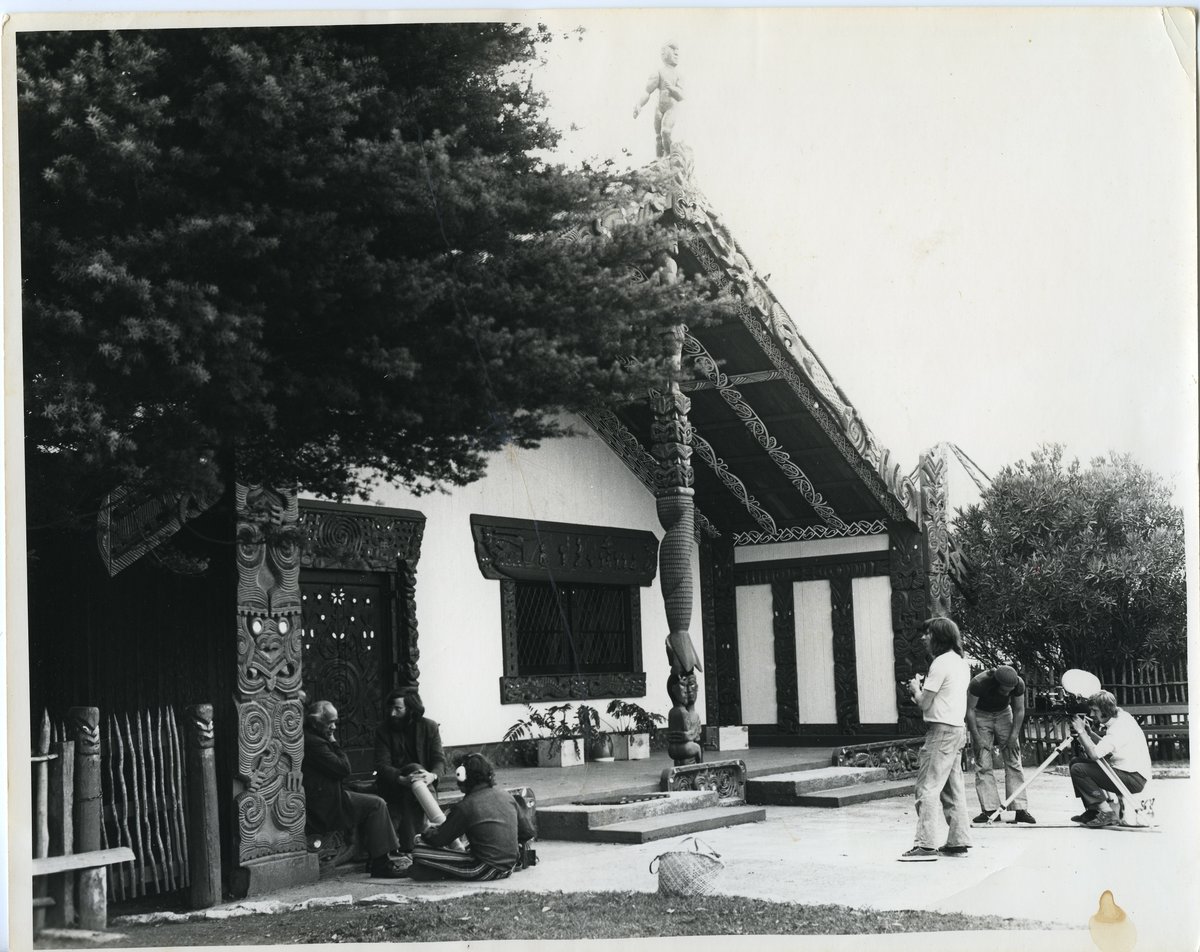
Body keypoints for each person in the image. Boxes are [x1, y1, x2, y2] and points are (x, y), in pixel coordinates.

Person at [301, 700, 409, 878]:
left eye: (335, 722)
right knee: (377, 804)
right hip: (325, 803)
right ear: (317, 722)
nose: (334, 727)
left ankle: (375, 856)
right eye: (330, 723)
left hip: (330, 793)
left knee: (374, 797)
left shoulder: (313, 738)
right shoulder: (316, 743)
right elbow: (344, 769)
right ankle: (381, 863)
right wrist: (334, 742)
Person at [899, 617, 973, 861]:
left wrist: (914, 689)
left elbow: (924, 703)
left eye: (928, 633)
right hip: (956, 729)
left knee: (927, 787)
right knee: (953, 788)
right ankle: (957, 841)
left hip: (940, 732)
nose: (923, 638)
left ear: (939, 636)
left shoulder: (940, 663)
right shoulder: (961, 663)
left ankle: (925, 844)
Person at [410, 753, 534, 881]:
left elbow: (440, 840)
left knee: (419, 851)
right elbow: (527, 832)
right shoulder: (506, 796)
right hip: (509, 868)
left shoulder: (465, 806)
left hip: (483, 869)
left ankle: (437, 872)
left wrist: (426, 832)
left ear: (462, 777)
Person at [373, 688, 448, 853]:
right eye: (390, 708)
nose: (392, 713)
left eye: (398, 709)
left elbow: (439, 760)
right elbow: (381, 765)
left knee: (415, 781)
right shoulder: (383, 730)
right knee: (414, 770)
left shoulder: (430, 726)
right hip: (394, 784)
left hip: (421, 784)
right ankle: (442, 834)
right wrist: (401, 779)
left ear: (411, 709)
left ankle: (410, 847)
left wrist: (431, 775)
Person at [1068, 690, 1152, 828]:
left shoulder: (1118, 728)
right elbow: (1110, 746)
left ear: (1105, 710)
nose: (1092, 715)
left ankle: (1107, 812)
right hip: (1128, 772)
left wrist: (1081, 731)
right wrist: (1091, 734)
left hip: (1134, 778)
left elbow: (1095, 754)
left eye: (1095, 710)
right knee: (1075, 762)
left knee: (1078, 769)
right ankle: (1093, 810)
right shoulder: (1122, 717)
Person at [967, 664, 1036, 824]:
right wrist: (977, 738)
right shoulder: (979, 683)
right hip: (981, 714)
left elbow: (1019, 710)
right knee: (983, 761)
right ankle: (990, 810)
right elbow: (970, 710)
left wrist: (1013, 736)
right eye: (1004, 690)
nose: (1008, 693)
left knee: (1013, 759)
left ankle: (1020, 808)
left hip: (1004, 713)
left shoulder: (1018, 684)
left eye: (1010, 690)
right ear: (996, 683)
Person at [633, 42, 684, 157]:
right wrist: (639, 104)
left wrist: (672, 89)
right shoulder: (659, 72)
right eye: (673, 51)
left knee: (665, 131)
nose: (676, 54)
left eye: (677, 52)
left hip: (671, 107)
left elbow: (681, 96)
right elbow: (647, 91)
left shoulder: (678, 74)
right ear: (664, 54)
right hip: (659, 107)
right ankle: (659, 160)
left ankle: (668, 156)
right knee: (658, 137)